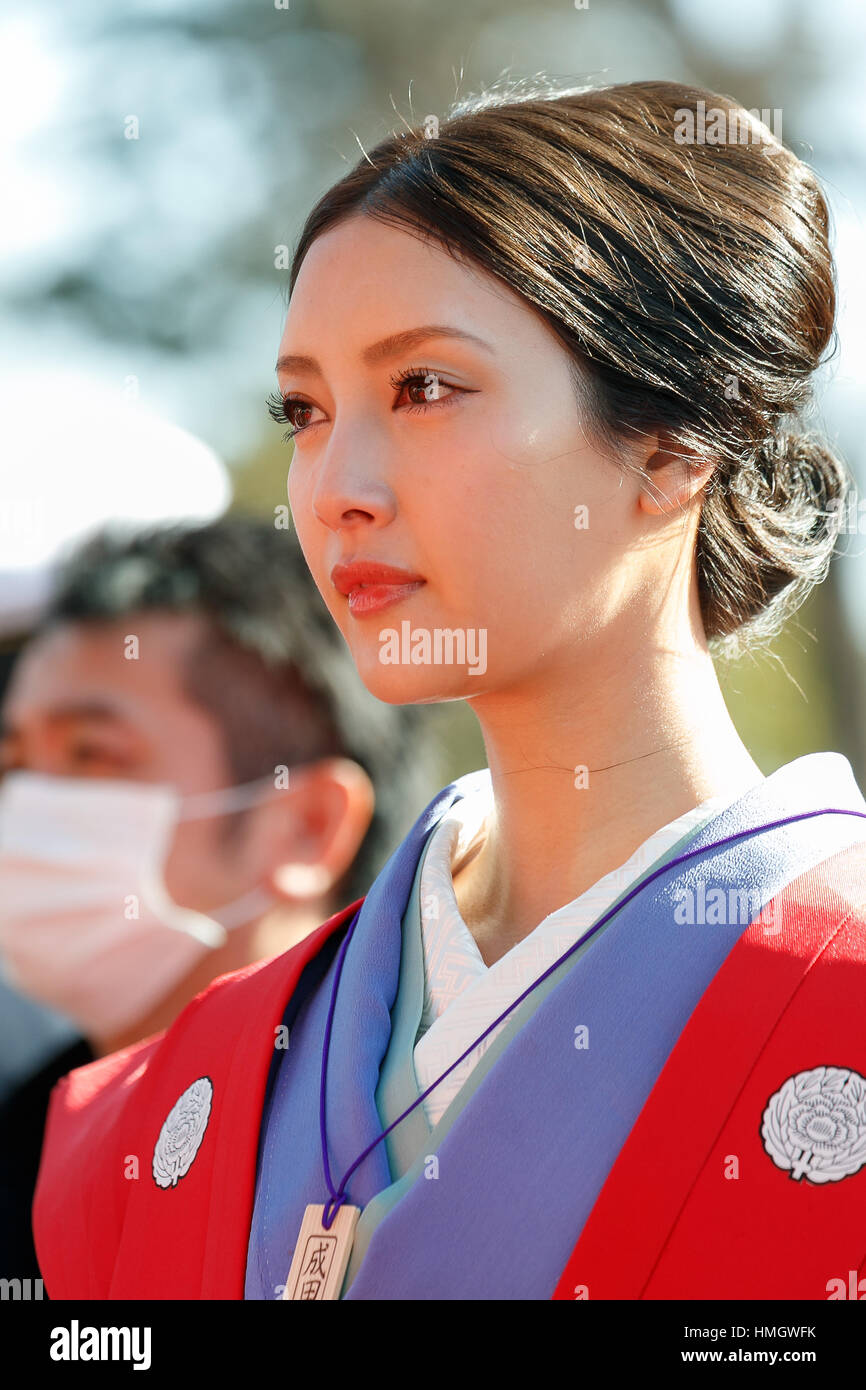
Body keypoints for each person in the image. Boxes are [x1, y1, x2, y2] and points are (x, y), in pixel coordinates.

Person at [33, 79, 866, 1301]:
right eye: (305, 410)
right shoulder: (174, 1090)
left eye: (422, 387)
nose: (331, 488)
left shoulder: (833, 990)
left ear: (677, 439)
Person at [0, 515, 437, 1282]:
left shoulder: (414, 1137)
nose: (27, 807)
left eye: (90, 754)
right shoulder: (28, 1138)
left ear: (306, 827)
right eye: (13, 764)